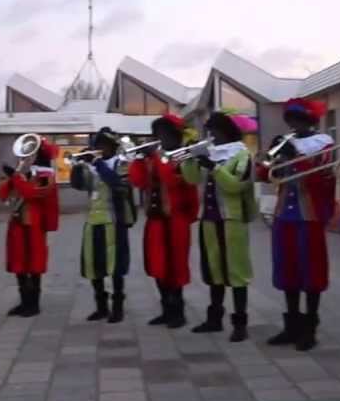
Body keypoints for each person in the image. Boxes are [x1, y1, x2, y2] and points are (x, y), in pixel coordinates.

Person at [256, 98, 336, 351]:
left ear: (309, 121)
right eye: (290, 119)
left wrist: (295, 156)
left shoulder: (323, 144)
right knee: (287, 271)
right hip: (284, 216)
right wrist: (269, 159)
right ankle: (291, 327)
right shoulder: (287, 142)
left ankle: (309, 328)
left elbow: (321, 178)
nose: (293, 124)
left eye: (297, 119)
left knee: (310, 273)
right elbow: (266, 176)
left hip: (309, 215)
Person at [181, 110, 259, 341]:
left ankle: (240, 323)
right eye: (209, 132)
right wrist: (190, 158)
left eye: (214, 132)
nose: (211, 137)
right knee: (213, 270)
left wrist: (213, 167)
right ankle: (214, 319)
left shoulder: (242, 155)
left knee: (236, 271)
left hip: (232, 220)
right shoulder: (213, 153)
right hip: (209, 219)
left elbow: (236, 186)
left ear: (226, 132)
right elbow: (192, 180)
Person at [128, 114, 200, 330]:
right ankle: (165, 309)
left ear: (175, 136)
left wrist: (156, 159)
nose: (160, 138)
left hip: (176, 219)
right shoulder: (153, 158)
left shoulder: (183, 157)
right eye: (158, 134)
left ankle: (177, 311)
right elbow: (138, 182)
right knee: (157, 264)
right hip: (155, 219)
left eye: (165, 134)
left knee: (175, 265)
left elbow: (173, 180)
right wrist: (139, 159)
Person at [71, 127, 138, 323]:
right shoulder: (92, 166)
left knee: (115, 266)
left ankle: (117, 307)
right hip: (93, 221)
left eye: (104, 145)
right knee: (94, 265)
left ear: (112, 146)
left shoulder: (120, 163)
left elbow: (118, 184)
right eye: (97, 146)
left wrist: (98, 163)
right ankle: (101, 307)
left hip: (114, 221)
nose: (100, 149)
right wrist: (77, 166)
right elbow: (78, 185)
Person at [0, 138, 61, 318]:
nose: (26, 157)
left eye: (32, 153)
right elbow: (2, 195)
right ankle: (23, 301)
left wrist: (17, 177)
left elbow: (31, 193)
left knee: (34, 263)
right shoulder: (23, 174)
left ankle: (33, 304)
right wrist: (10, 179)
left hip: (34, 226)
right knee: (18, 263)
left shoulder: (45, 177)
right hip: (17, 224)